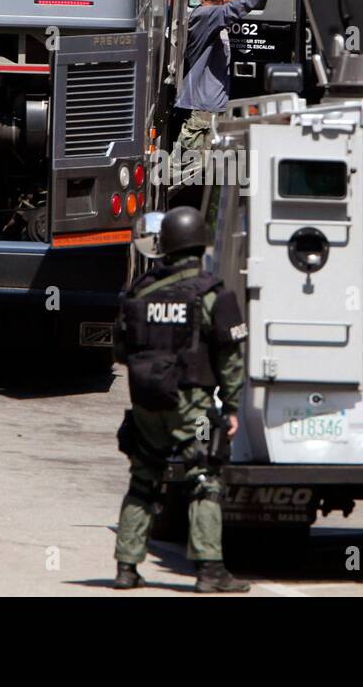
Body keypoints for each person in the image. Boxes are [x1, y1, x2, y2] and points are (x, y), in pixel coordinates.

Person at [111, 206, 250, 593]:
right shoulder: (212, 293)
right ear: (201, 245)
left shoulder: (140, 291)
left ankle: (126, 568)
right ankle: (209, 572)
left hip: (146, 403)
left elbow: (121, 349)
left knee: (143, 480)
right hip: (194, 408)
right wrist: (234, 406)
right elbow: (231, 358)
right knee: (204, 477)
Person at [172, 0, 281, 164]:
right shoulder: (206, 16)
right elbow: (235, 7)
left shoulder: (213, 7)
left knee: (209, 167)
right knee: (194, 171)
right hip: (201, 112)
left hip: (209, 110)